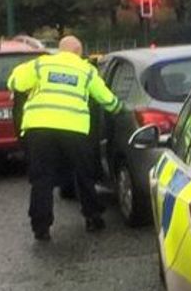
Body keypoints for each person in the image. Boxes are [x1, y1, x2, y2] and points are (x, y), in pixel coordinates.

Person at [7, 36, 121, 241]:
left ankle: (40, 227)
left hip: (39, 127)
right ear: (79, 52)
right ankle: (92, 217)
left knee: (42, 179)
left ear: (59, 50)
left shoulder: (41, 64)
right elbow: (107, 99)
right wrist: (119, 109)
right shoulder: (86, 70)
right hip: (74, 128)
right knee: (83, 173)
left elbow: (15, 82)